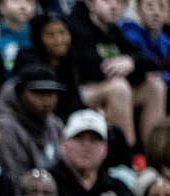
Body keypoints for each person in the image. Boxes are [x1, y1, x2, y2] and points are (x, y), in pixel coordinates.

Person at [66, 0, 165, 149]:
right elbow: (96, 70)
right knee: (119, 87)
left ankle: (155, 155)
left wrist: (131, 62)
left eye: (119, 2)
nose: (114, 6)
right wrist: (129, 69)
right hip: (78, 92)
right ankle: (125, 157)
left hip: (110, 86)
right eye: (107, 1)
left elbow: (151, 62)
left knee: (155, 86)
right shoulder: (76, 27)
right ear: (90, 4)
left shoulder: (114, 31)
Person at [0, 64, 66, 180]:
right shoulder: (5, 127)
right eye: (38, 93)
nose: (47, 101)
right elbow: (12, 177)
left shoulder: (56, 124)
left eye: (51, 93)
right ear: (20, 94)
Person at [12, 13, 86, 121]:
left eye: (63, 32)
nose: (59, 40)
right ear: (38, 38)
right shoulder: (27, 62)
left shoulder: (70, 60)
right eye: (50, 34)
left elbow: (74, 100)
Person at [0, 0, 35, 73]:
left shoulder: (39, 31)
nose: (23, 7)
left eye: (28, 2)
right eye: (16, 1)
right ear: (1, 7)